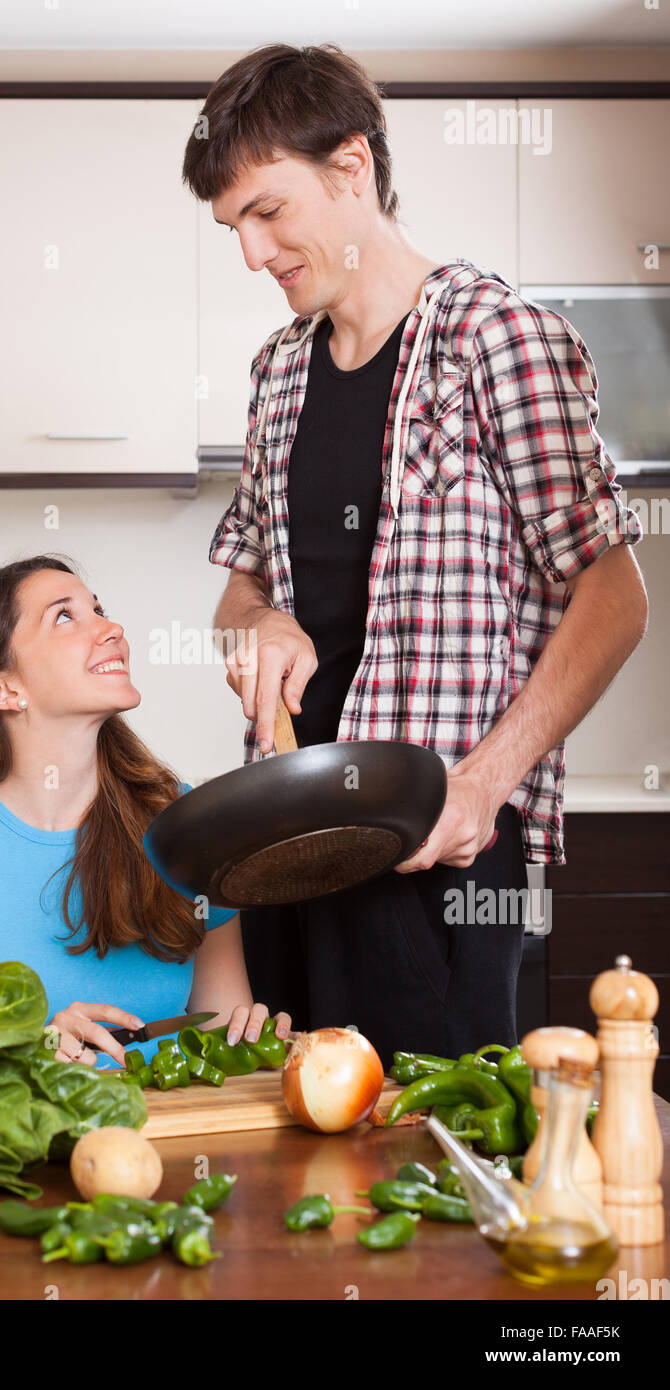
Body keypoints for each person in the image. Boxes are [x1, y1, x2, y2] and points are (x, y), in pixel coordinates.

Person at [181, 44, 648, 1061]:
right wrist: (260, 623)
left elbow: (613, 596)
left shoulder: (495, 339)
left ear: (351, 167)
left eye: (267, 212)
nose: (253, 255)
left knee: (433, 1156)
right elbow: (237, 595)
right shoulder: (278, 375)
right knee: (289, 1140)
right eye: (232, 229)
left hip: (443, 848)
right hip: (288, 841)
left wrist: (482, 783)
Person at [0, 555, 290, 1069]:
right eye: (64, 616)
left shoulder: (184, 820)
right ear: (3, 687)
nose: (113, 629)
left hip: (168, 1140)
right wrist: (24, 1044)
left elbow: (216, 1029)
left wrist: (252, 1038)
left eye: (99, 610)